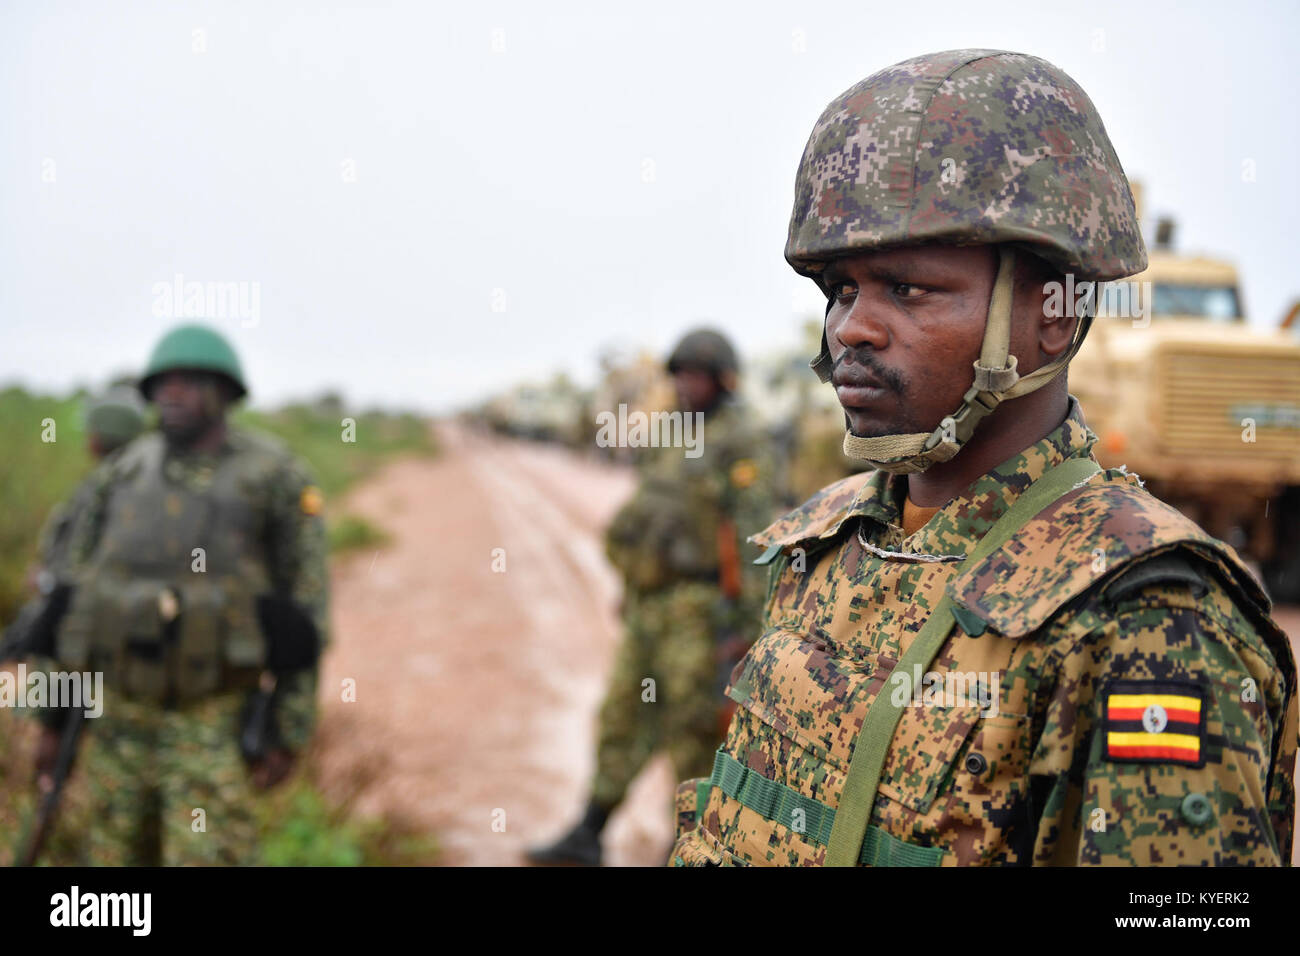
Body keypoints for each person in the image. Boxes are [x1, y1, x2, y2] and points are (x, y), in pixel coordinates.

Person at [670, 49, 1297, 867]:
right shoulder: (826, 543)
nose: (853, 328)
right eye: (842, 291)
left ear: (1052, 318)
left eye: (908, 289)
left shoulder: (1149, 618)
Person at [38, 323, 329, 865]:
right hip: (117, 723)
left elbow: (306, 618)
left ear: (225, 393)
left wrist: (288, 731)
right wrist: (52, 723)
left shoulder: (276, 477)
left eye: (190, 381)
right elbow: (71, 606)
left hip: (211, 723)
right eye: (162, 383)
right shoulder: (120, 475)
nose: (172, 393)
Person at [528, 328, 778, 865]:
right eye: (681, 374)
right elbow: (647, 514)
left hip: (701, 610)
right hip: (651, 605)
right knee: (622, 713)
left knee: (691, 733)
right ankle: (588, 832)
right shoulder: (671, 433)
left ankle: (690, 846)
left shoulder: (742, 441)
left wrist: (746, 630)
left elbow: (755, 534)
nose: (687, 385)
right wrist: (632, 585)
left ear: (723, 380)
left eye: (698, 375)